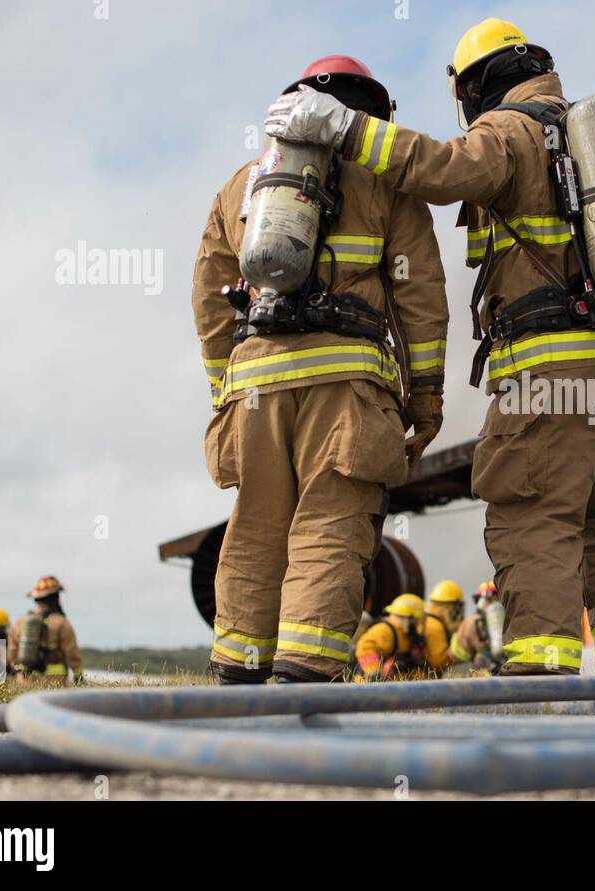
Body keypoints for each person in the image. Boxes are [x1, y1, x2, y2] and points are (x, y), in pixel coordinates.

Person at [263, 19, 595, 676]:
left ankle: (542, 672)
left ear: (475, 86)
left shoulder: (508, 131)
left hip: (550, 369)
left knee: (537, 512)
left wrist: (347, 130)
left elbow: (442, 169)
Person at [196, 56, 449, 685]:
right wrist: (424, 401)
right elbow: (420, 298)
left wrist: (221, 385)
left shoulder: (243, 185)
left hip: (253, 387)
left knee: (256, 525)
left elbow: (208, 293)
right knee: (329, 526)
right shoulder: (387, 185)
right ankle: (303, 674)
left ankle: (238, 669)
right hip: (347, 387)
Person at [9, 576, 83, 683]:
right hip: (53, 682)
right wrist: (78, 676)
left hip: (25, 681)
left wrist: (18, 670)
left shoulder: (21, 622)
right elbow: (72, 653)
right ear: (55, 597)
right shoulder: (61, 623)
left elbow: (12, 650)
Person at [354, 594, 426, 679]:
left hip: (392, 686)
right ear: (407, 619)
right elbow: (364, 648)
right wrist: (375, 673)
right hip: (369, 686)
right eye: (415, 621)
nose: (416, 625)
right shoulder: (385, 630)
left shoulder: (403, 634)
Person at [423, 580, 465, 672]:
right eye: (458, 608)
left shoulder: (430, 621)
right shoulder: (434, 627)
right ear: (452, 608)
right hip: (425, 680)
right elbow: (439, 664)